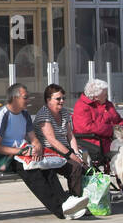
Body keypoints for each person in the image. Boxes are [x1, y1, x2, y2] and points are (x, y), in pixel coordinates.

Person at [0, 83, 88, 219]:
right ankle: (61, 210)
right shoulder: (2, 115)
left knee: (46, 166)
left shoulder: (24, 114)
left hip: (23, 152)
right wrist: (22, 152)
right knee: (34, 173)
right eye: (25, 97)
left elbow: (34, 139)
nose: (28, 100)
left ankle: (67, 202)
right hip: (4, 156)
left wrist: (37, 149)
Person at [73, 78, 123, 201]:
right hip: (94, 144)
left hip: (111, 139)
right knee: (121, 147)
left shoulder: (107, 104)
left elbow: (117, 119)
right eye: (105, 94)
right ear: (95, 96)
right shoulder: (82, 107)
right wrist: (111, 129)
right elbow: (85, 128)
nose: (107, 95)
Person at [33, 84, 89, 214]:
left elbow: (70, 136)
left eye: (63, 98)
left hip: (64, 151)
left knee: (86, 168)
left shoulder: (64, 113)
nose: (62, 101)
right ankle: (76, 204)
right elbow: (52, 140)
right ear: (48, 100)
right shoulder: (44, 114)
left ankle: (84, 201)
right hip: (49, 152)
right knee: (75, 167)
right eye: (58, 99)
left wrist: (76, 153)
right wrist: (71, 155)